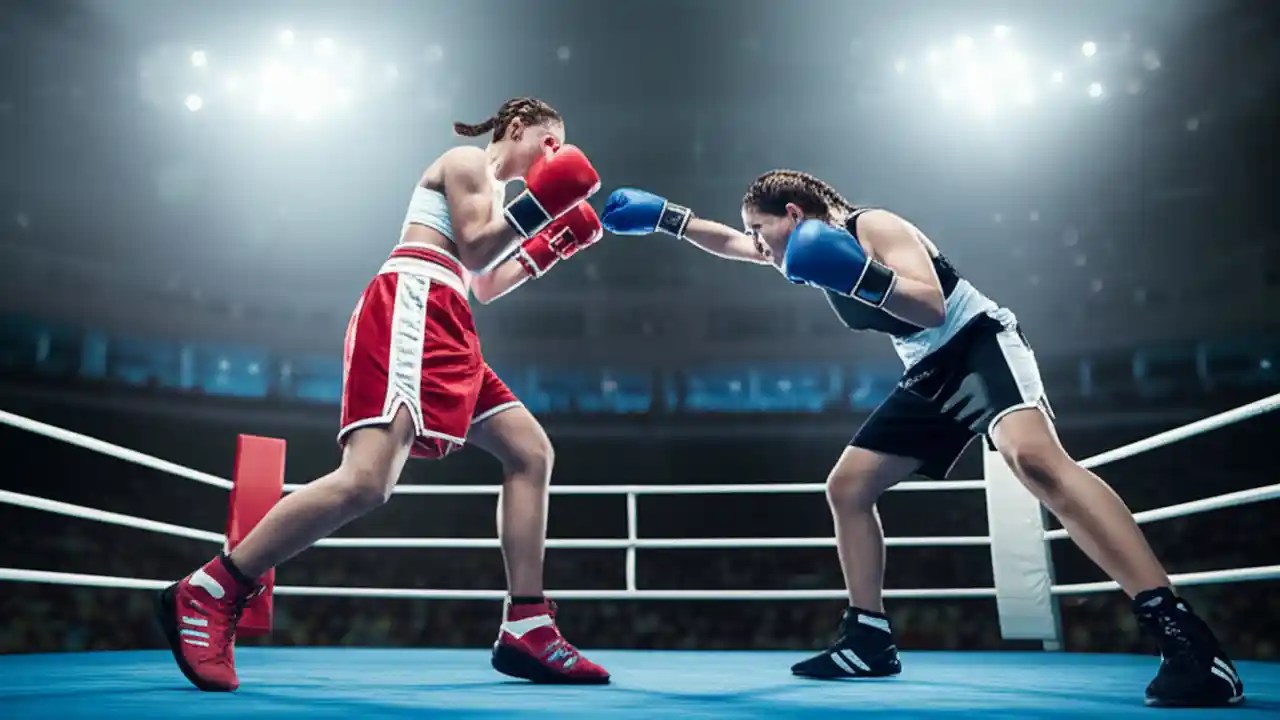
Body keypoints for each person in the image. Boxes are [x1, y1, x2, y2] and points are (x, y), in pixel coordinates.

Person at [600, 171, 1244, 708]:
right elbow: (730, 243)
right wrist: (668, 219)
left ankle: (1187, 639)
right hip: (927, 370)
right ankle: (869, 640)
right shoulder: (796, 248)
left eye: (760, 229)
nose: (756, 244)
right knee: (848, 487)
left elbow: (930, 305)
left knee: (1036, 463)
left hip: (976, 343)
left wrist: (856, 275)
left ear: (793, 213)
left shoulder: (873, 226)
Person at [156, 97, 611, 691]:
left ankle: (527, 622)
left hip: (449, 319)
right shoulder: (468, 163)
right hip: (414, 303)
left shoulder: (496, 195)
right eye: (550, 143)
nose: (553, 157)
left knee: (530, 452)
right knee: (367, 482)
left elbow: (488, 282)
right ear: (517, 128)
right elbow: (474, 246)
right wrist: (546, 204)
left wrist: (552, 245)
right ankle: (211, 588)